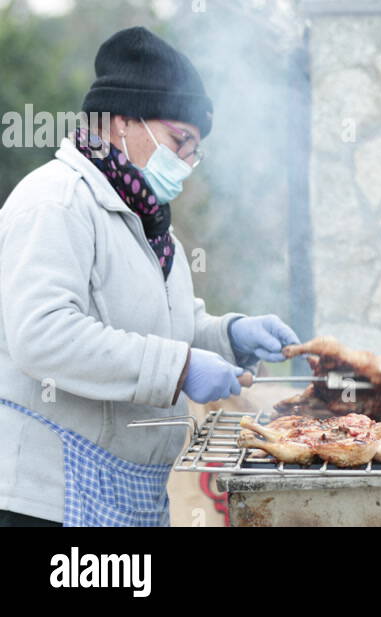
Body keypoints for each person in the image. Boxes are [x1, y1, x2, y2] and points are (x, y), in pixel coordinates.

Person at [0, 26, 299, 526]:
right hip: (48, 501)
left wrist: (228, 336)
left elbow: (166, 327)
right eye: (179, 141)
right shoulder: (56, 201)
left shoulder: (148, 221)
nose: (185, 165)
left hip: (129, 492)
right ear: (121, 121)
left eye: (194, 152)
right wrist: (180, 369)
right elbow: (42, 336)